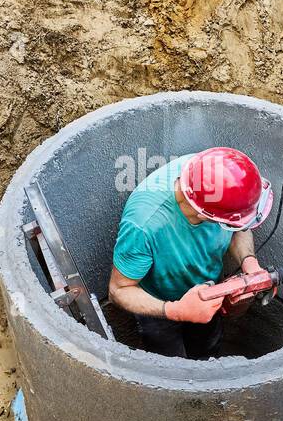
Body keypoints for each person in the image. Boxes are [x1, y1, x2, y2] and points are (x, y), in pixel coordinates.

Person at [107, 147, 272, 359]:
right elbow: (118, 290)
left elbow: (240, 224)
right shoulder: (143, 224)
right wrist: (176, 310)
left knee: (206, 352)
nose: (236, 226)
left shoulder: (216, 173)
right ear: (205, 214)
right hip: (159, 306)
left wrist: (250, 264)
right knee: (170, 369)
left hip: (210, 293)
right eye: (228, 222)